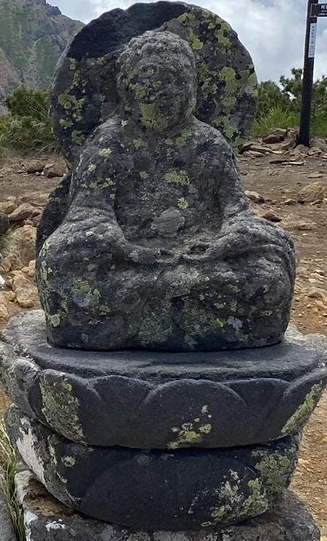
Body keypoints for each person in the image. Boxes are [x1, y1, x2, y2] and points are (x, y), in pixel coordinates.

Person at [37, 30, 295, 351]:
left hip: (201, 258)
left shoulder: (209, 143)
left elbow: (237, 212)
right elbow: (90, 213)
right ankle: (190, 311)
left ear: (191, 86)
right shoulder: (110, 142)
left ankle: (142, 315)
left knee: (271, 272)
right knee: (59, 263)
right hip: (128, 258)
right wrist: (127, 249)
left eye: (174, 80)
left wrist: (226, 241)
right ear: (127, 88)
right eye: (149, 80)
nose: (163, 92)